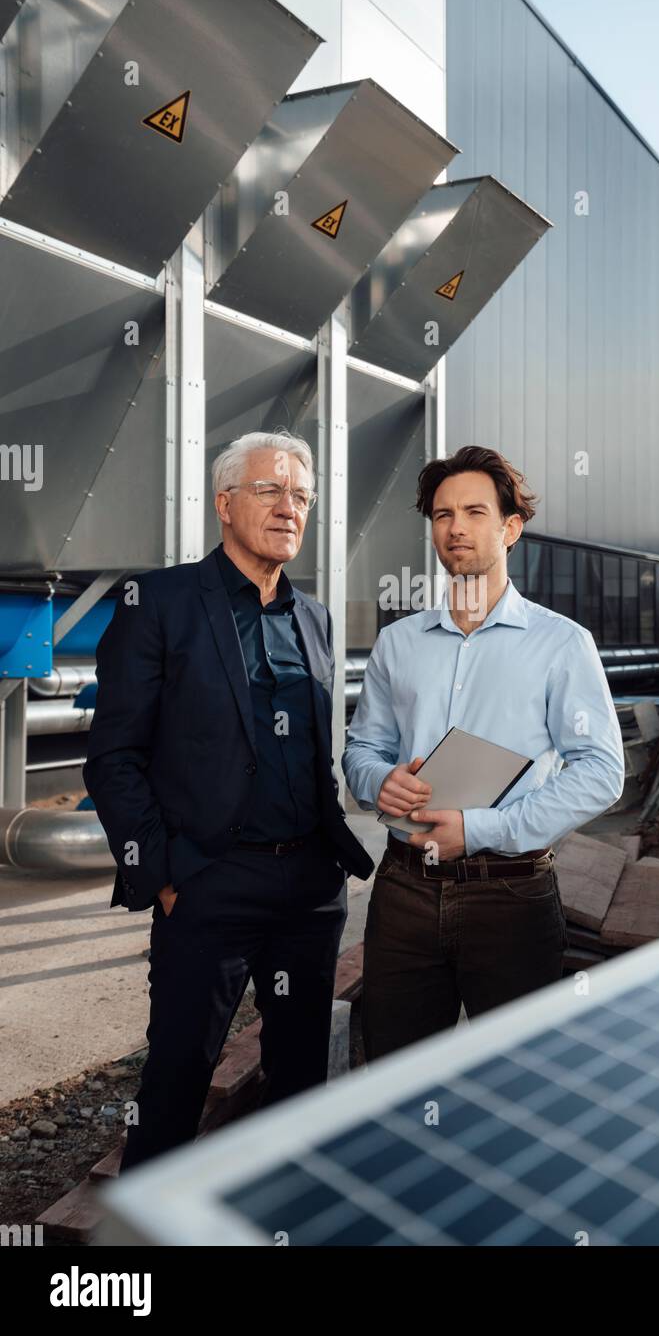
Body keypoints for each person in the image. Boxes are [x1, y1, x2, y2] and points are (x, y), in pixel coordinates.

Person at [83, 430, 373, 1171]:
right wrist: (166, 877)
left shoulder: (313, 619)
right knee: (175, 1085)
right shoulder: (161, 602)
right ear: (224, 502)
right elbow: (113, 759)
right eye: (270, 490)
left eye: (302, 496)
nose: (289, 508)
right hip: (209, 886)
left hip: (309, 888)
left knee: (301, 1083)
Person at [343, 444, 624, 1060]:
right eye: (443, 515)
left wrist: (483, 828)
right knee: (395, 1076)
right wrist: (377, 780)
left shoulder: (561, 644)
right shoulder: (399, 643)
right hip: (405, 893)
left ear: (510, 527)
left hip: (512, 898)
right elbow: (363, 748)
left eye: (474, 511)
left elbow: (602, 772)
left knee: (517, 1087)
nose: (456, 527)